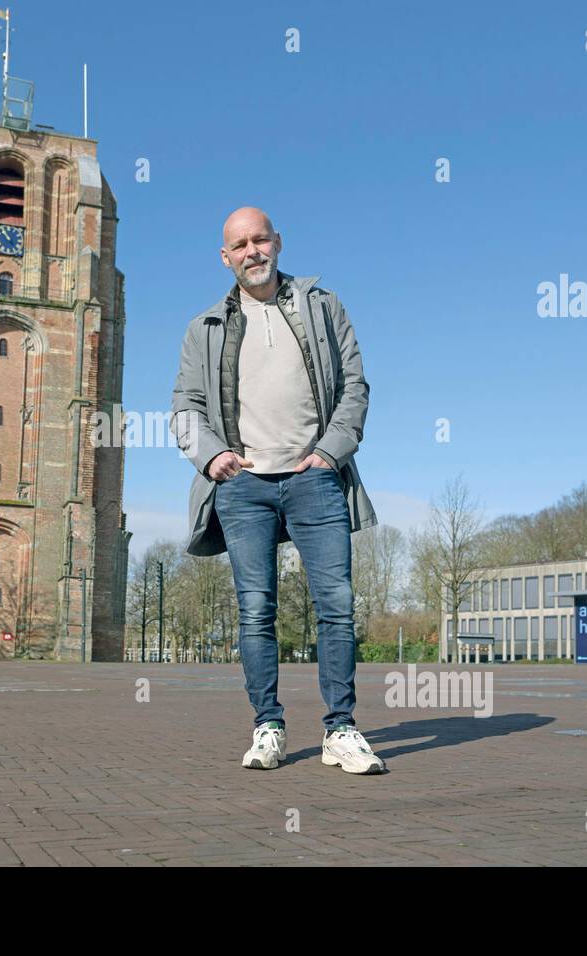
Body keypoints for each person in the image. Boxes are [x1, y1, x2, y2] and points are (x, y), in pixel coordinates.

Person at [169, 207, 385, 775]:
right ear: (225, 256)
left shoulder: (323, 305)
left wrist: (328, 455)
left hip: (315, 479)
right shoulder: (204, 327)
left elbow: (355, 388)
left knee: (336, 607)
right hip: (244, 488)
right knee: (255, 611)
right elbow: (184, 408)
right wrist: (213, 455)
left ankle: (341, 730)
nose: (252, 251)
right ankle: (268, 726)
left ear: (278, 243)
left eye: (260, 239)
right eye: (239, 244)